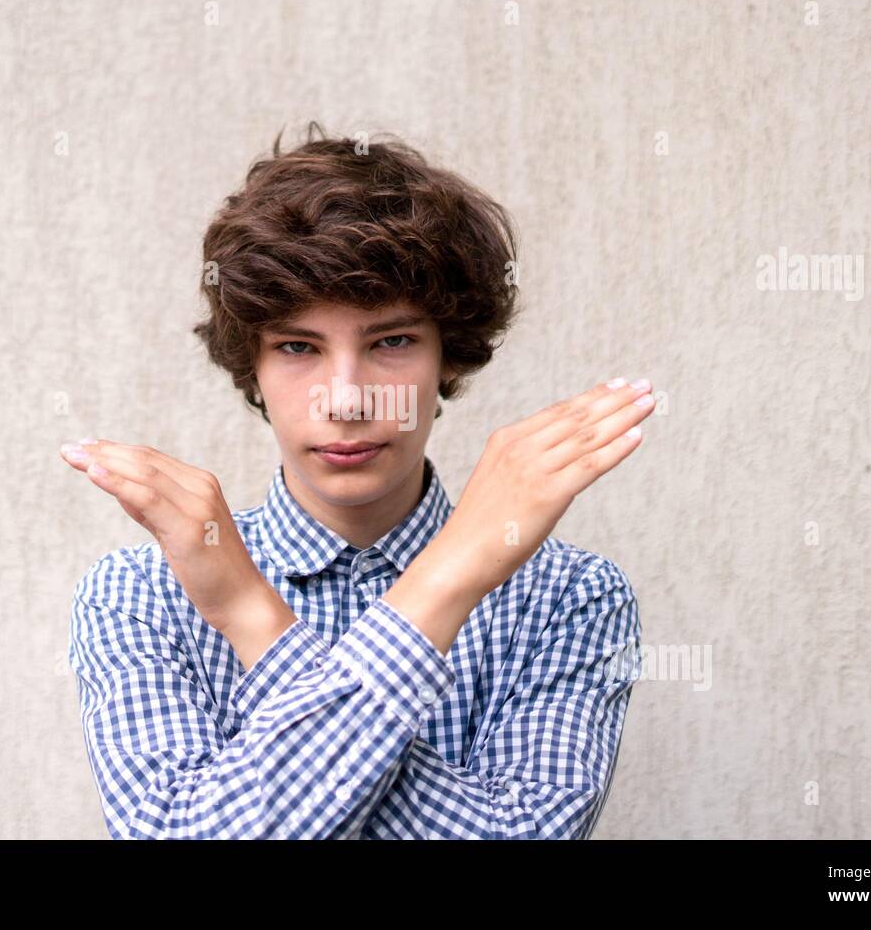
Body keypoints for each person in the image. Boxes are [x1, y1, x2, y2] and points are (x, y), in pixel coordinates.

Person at [60, 123, 654, 839]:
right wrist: (259, 608)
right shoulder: (141, 592)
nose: (346, 399)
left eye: (392, 341)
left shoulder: (572, 596)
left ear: (450, 357)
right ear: (253, 366)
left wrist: (262, 619)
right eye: (298, 347)